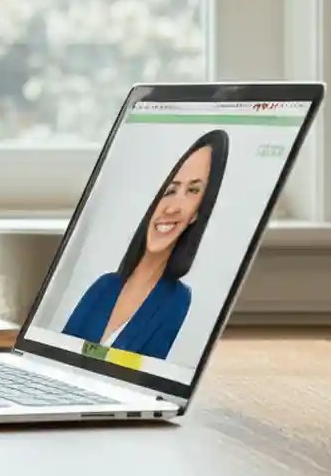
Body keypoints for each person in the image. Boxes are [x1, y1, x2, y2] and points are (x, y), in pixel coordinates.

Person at [62, 130, 230, 360]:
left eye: (192, 191)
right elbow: (59, 355)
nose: (171, 208)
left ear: (197, 213)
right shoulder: (104, 286)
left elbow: (143, 372)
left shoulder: (176, 299)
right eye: (170, 190)